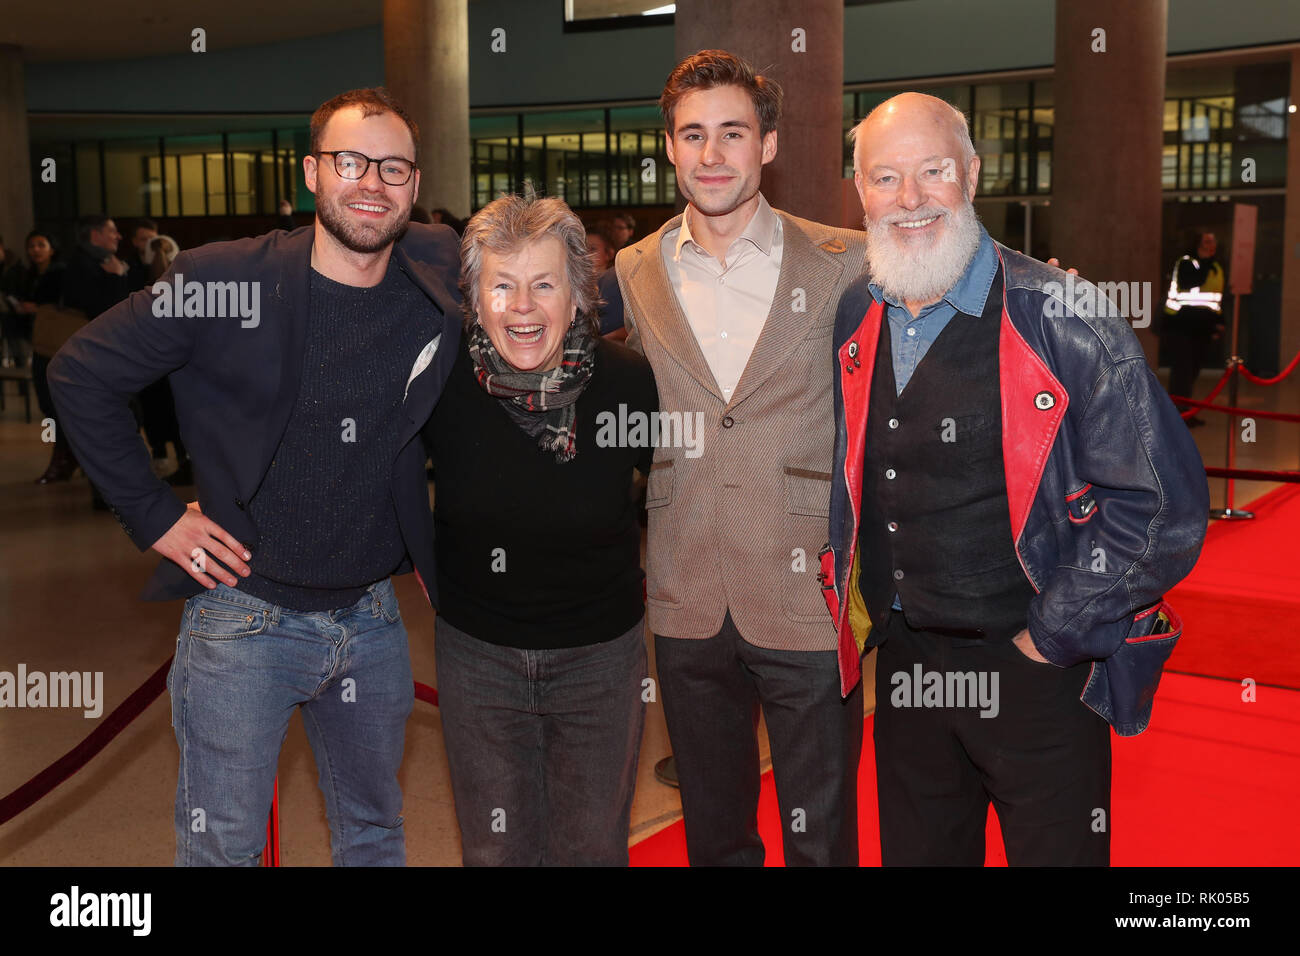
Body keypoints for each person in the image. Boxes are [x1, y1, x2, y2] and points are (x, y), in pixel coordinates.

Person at [49, 86, 462, 866]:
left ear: (415, 183)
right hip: (245, 622)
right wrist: (154, 514)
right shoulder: (224, 278)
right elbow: (80, 373)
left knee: (375, 835)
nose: (372, 182)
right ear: (312, 172)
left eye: (395, 168)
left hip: (373, 621)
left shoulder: (434, 270)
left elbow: (546, 276)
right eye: (350, 161)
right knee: (223, 852)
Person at [825, 92, 1209, 866]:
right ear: (859, 191)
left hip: (1039, 673)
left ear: (970, 174)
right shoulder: (853, 314)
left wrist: (1053, 633)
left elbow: (1162, 506)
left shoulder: (1060, 314)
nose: (909, 199)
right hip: (910, 671)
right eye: (885, 178)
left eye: (932, 171)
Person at [615, 50, 867, 866]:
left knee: (821, 835)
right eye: (693, 135)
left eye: (732, 132)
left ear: (768, 145)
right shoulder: (635, 267)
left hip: (806, 588)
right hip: (686, 584)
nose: (712, 153)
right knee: (715, 833)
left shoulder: (847, 261)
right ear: (669, 149)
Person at [424, 190, 657, 866]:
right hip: (478, 659)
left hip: (601, 662)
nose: (522, 306)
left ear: (579, 294)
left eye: (544, 284)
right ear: (475, 295)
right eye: (501, 285)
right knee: (495, 850)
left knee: (590, 849)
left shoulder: (629, 383)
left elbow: (677, 493)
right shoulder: (441, 381)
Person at [0, 230, 69, 482]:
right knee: (46, 402)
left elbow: (66, 306)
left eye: (41, 244)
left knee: (56, 402)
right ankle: (62, 452)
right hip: (39, 342)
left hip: (57, 343)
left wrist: (36, 308)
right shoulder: (26, 275)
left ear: (52, 248)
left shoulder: (60, 273)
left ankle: (63, 455)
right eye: (32, 245)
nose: (35, 250)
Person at [1162, 230, 1225, 426]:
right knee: (1182, 373)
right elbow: (1192, 282)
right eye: (1206, 241)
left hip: (1202, 329)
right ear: (1197, 242)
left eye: (1213, 241)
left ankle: (1186, 413)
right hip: (1182, 327)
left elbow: (1216, 298)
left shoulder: (1215, 266)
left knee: (1192, 373)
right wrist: (1205, 261)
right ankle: (1177, 416)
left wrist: (1219, 322)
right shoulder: (1187, 263)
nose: (1210, 245)